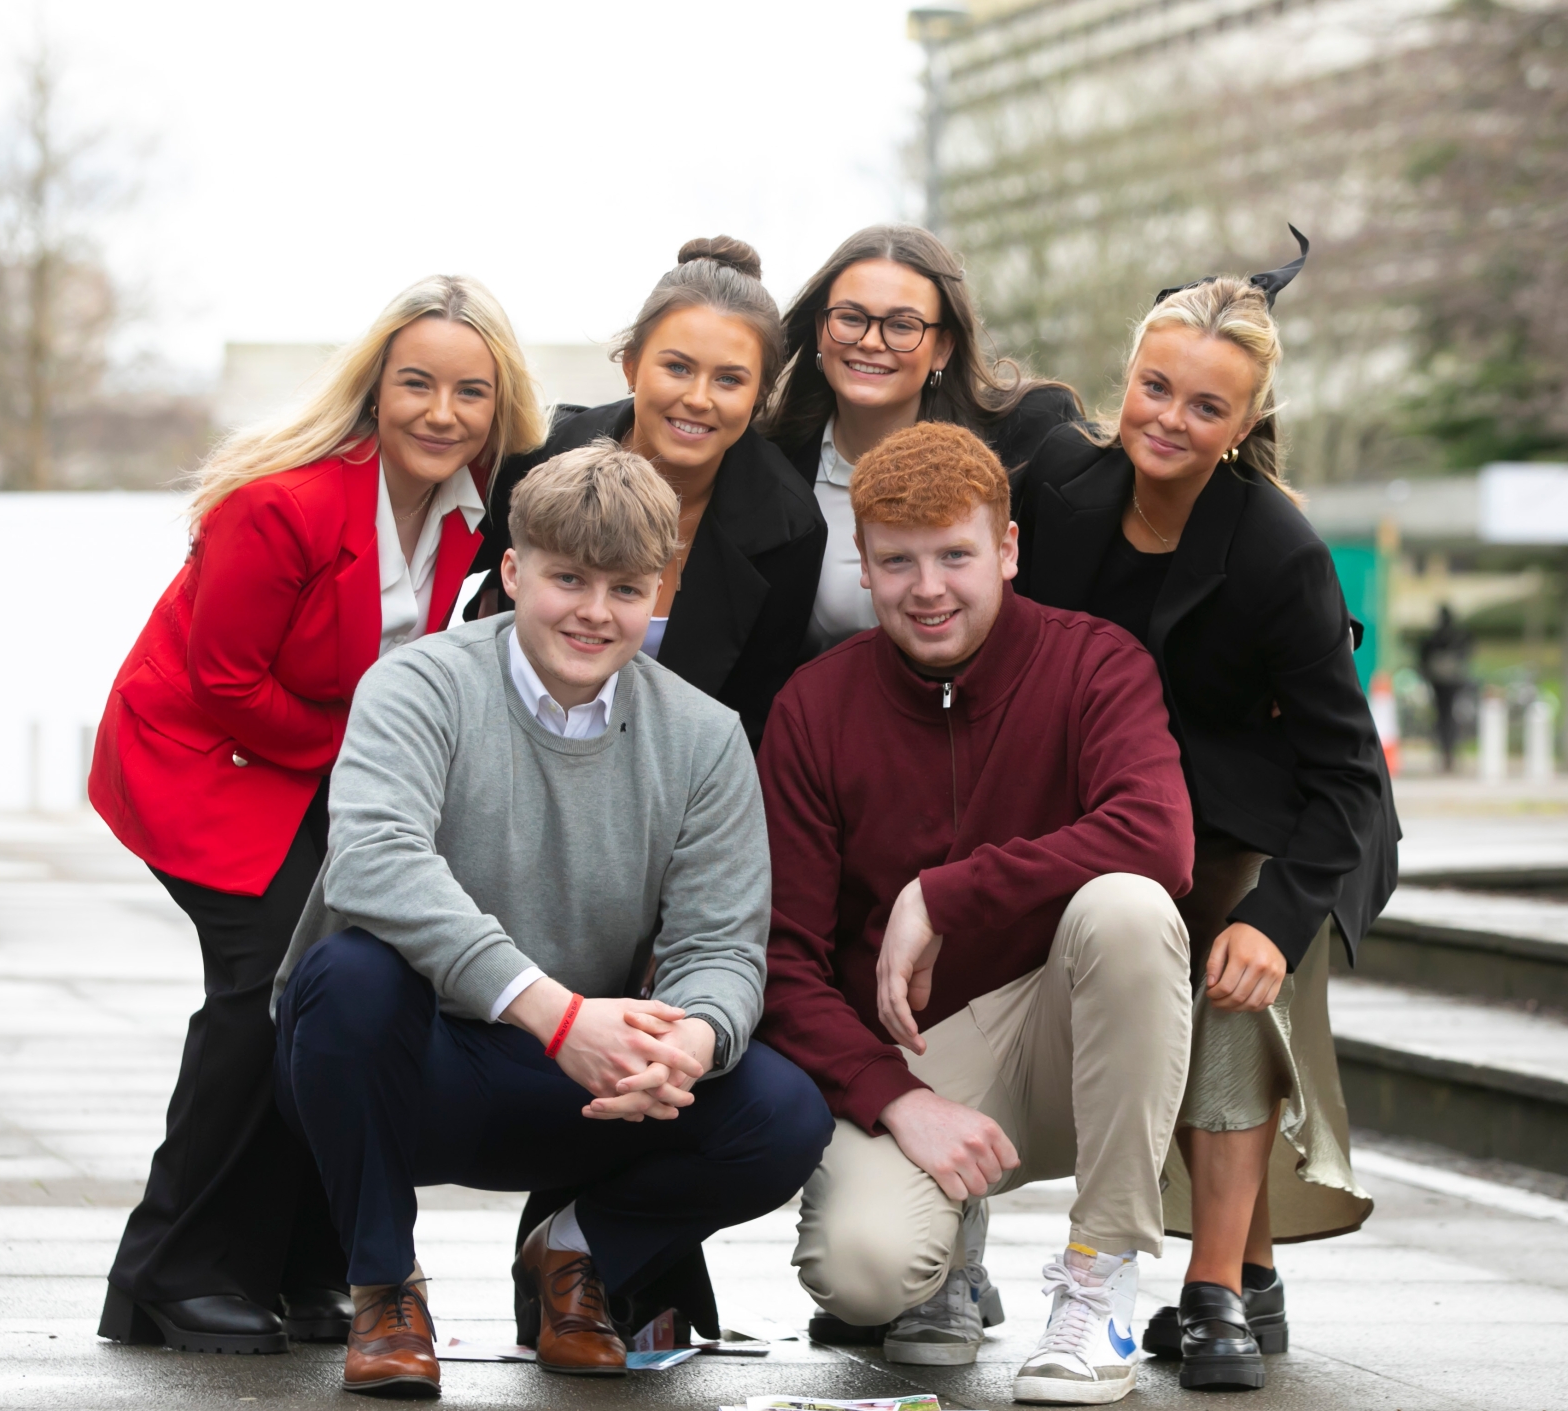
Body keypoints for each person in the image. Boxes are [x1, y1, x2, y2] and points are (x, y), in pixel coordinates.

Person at [272, 441, 833, 1397]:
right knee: (350, 977)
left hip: (587, 1084)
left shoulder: (703, 734)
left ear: (660, 589)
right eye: (566, 578)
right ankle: (383, 1286)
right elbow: (373, 862)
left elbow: (721, 946)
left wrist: (691, 1038)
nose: (592, 611)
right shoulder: (420, 684)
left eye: (623, 587)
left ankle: (575, 1254)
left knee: (784, 1116)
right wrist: (558, 1014)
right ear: (513, 571)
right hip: (417, 1064)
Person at [88, 276, 545, 1355]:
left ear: (498, 404)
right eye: (417, 384)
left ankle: (303, 1266)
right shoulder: (281, 503)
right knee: (259, 999)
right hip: (206, 758)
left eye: (470, 391)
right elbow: (226, 679)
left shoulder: (482, 510)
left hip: (317, 769)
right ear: (374, 390)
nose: (443, 412)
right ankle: (169, 1271)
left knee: (332, 1003)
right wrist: (369, 764)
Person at [1016, 235, 1397, 1392]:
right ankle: (1258, 1265)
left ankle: (1216, 1285)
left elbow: (1347, 775)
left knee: (1228, 958)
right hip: (1115, 812)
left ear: (1244, 423)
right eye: (1155, 387)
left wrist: (1281, 921)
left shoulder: (1276, 549)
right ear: (1126, 381)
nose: (1170, 419)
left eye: (1207, 405)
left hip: (1265, 822)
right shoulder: (1060, 493)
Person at [757, 420, 1196, 1405]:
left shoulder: (1094, 665)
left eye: (957, 554)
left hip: (1075, 1030)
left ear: (1006, 549)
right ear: (861, 569)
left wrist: (944, 891)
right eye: (897, 561)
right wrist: (896, 1098)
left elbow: (1159, 840)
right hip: (921, 1053)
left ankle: (1100, 1278)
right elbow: (780, 958)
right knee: (860, 1272)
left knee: (1128, 907)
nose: (929, 588)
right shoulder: (814, 708)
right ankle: (949, 1236)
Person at [474, 236, 824, 748]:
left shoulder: (789, 529)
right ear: (632, 365)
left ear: (759, 394)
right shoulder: (538, 456)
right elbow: (477, 623)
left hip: (670, 784)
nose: (698, 398)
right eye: (677, 367)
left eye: (729, 380)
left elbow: (750, 716)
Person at [762, 224, 1083, 654]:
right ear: (821, 329)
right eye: (851, 318)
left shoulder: (1028, 439)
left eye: (901, 325)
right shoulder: (768, 464)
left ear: (943, 348)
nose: (871, 342)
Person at [1419, 605, 1472, 772]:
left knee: (1446, 716)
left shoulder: (1446, 636)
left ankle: (1448, 752)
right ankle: (1447, 752)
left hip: (1446, 682)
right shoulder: (1452, 636)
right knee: (1446, 716)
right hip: (1446, 682)